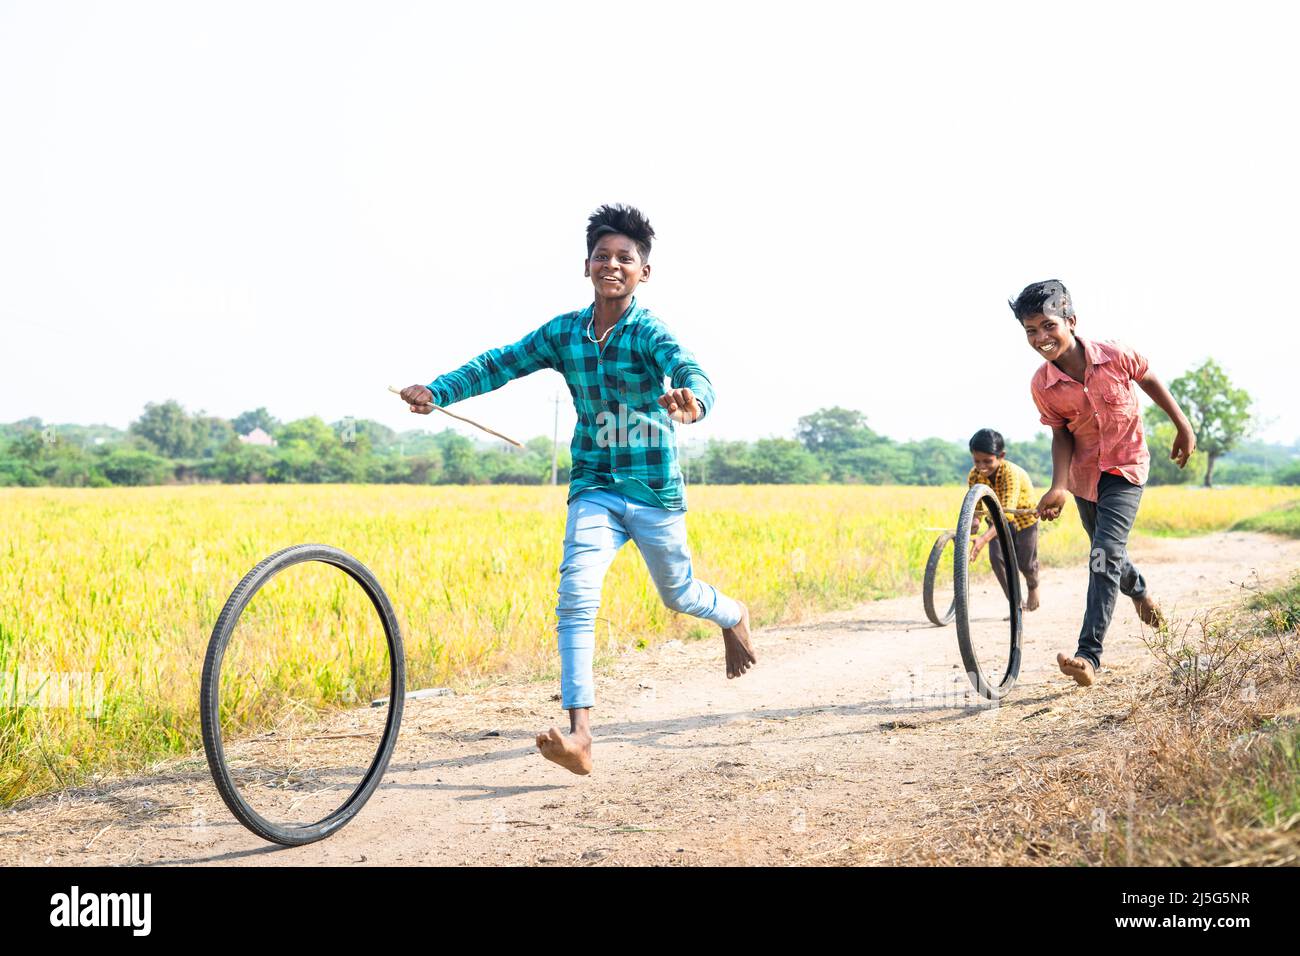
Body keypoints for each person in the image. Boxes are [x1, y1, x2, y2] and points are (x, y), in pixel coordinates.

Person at [397, 204, 756, 774]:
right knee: (576, 597)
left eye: (626, 258)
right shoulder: (564, 333)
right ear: (587, 265)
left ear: (643, 272)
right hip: (592, 485)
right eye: (603, 256)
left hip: (652, 489)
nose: (612, 265)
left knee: (679, 594)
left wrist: (694, 399)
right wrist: (437, 390)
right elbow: (502, 363)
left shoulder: (648, 333)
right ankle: (580, 734)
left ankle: (731, 614)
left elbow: (688, 368)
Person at [1011, 280, 1196, 687]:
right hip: (1083, 478)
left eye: (1048, 326)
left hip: (1126, 468)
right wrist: (1058, 487)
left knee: (1104, 553)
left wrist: (1182, 425)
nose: (1041, 338)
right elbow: (1061, 434)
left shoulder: (1115, 354)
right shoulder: (1042, 386)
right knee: (1106, 552)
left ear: (1071, 321)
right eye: (1030, 331)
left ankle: (1088, 655)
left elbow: (1148, 378)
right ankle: (1140, 591)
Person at [966, 428, 1041, 611]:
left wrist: (983, 539)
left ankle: (1033, 586)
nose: (982, 466)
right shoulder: (974, 475)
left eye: (988, 461)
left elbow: (1007, 516)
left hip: (1024, 520)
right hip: (995, 521)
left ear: (1001, 456)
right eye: (977, 461)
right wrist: (973, 524)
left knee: (1025, 563)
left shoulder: (1010, 473)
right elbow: (976, 507)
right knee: (997, 559)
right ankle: (1016, 605)